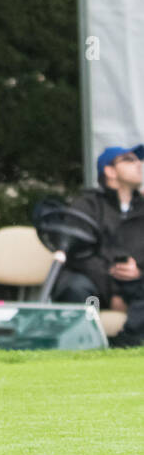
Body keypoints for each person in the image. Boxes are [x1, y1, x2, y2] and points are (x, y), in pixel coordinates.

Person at [52, 144, 144, 347]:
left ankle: (127, 343)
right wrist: (113, 293)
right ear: (109, 171)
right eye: (129, 160)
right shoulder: (87, 205)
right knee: (75, 287)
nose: (138, 164)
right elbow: (77, 254)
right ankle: (80, 345)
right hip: (96, 283)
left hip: (134, 284)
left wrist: (138, 272)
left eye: (139, 160)